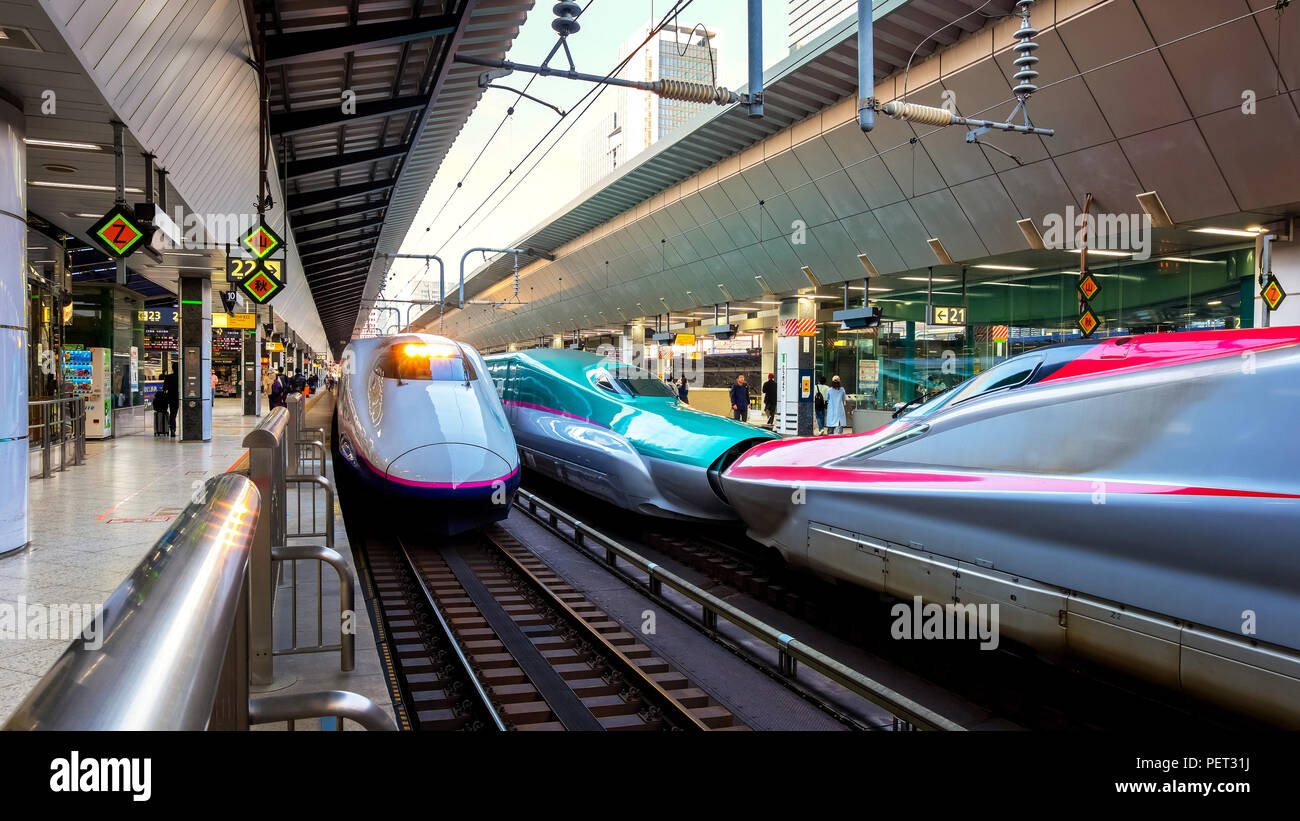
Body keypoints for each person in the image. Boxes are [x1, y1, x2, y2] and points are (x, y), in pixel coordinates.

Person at [163, 366, 179, 437]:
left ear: (172, 369)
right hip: (181, 397)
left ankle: (172, 430)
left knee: (173, 415)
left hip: (172, 398)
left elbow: (164, 388)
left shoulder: (168, 377)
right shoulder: (182, 377)